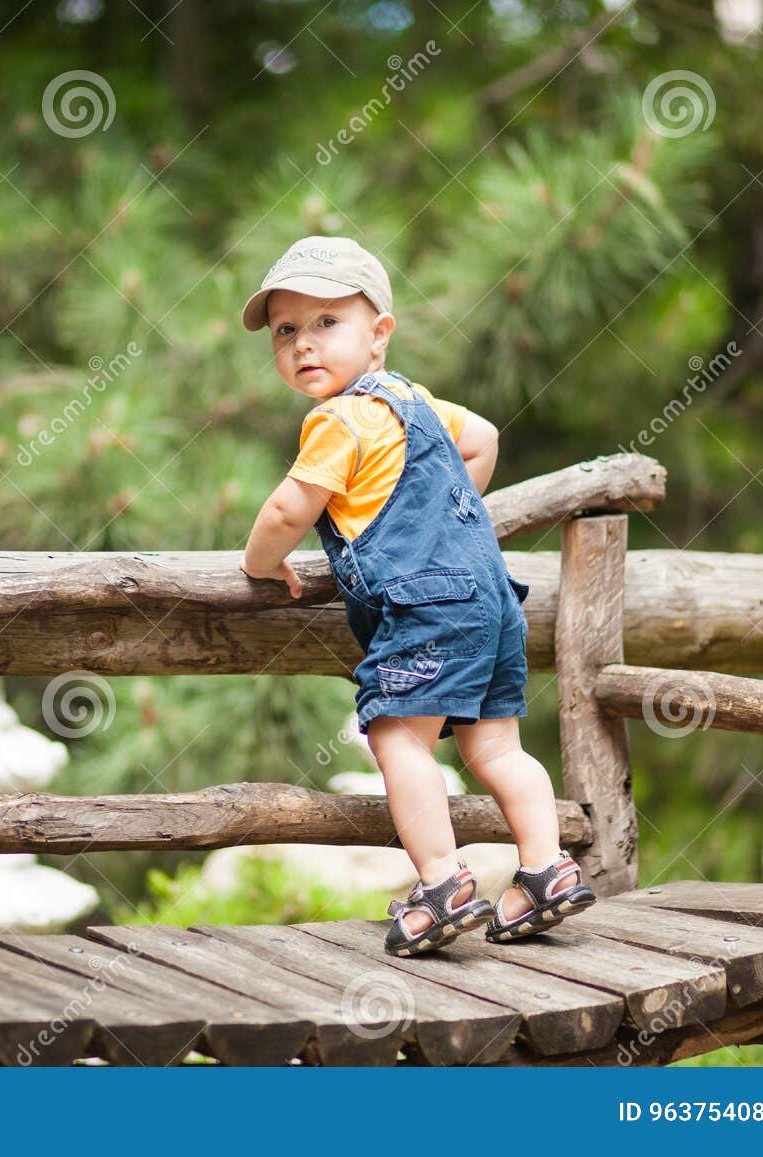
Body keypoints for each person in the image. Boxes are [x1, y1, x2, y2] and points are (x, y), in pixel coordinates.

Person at [237, 235, 596, 957]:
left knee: (399, 736)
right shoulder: (414, 401)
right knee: (495, 744)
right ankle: (545, 866)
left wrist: (260, 562)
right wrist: (446, 518)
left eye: (325, 322)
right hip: (493, 598)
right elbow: (485, 439)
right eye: (286, 330)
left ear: (379, 334)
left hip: (427, 607)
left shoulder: (337, 420)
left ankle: (441, 880)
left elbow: (286, 512)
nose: (304, 344)